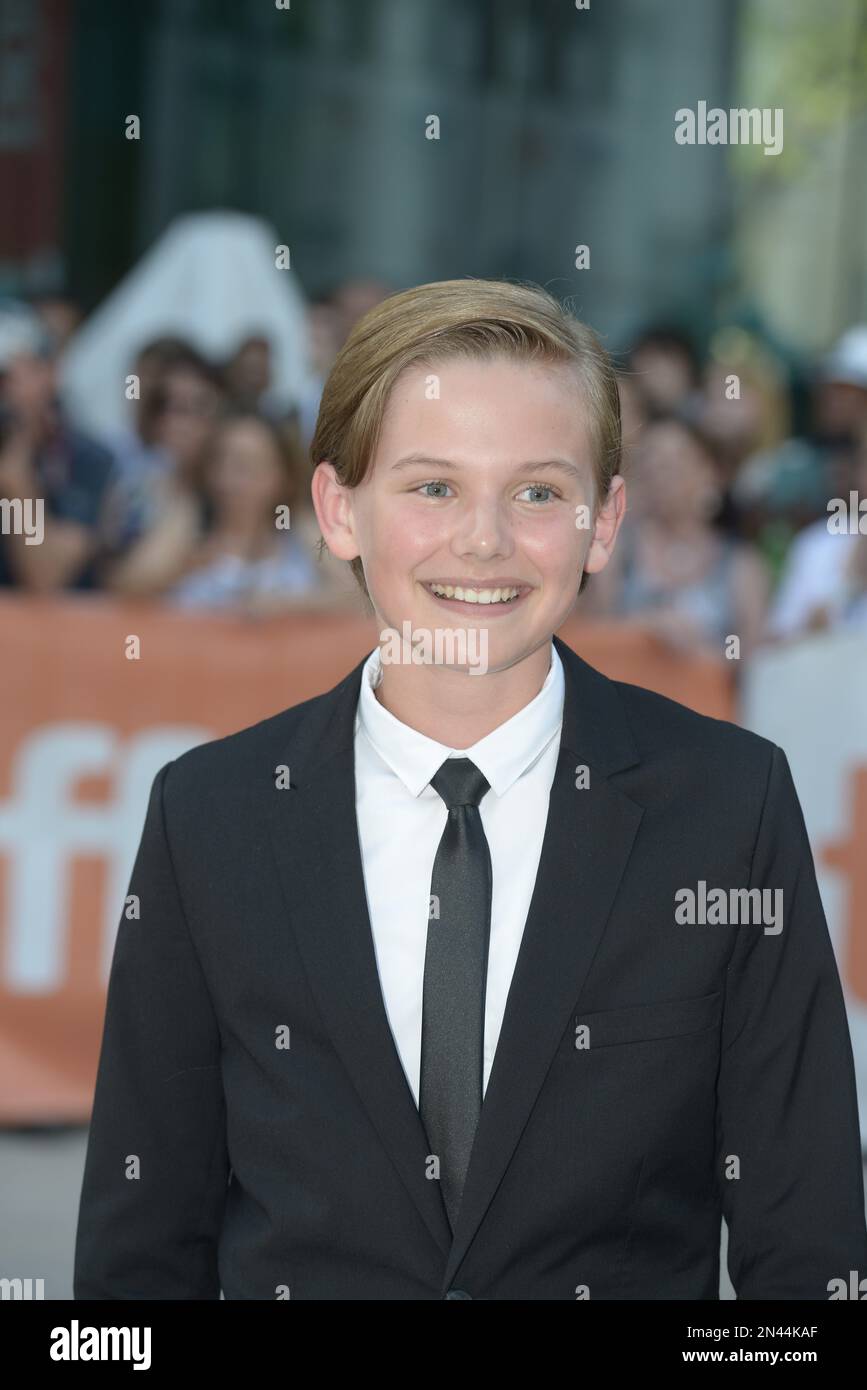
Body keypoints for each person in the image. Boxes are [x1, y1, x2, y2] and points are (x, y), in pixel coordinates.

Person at [74, 278, 867, 1300]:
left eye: (537, 491)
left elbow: (805, 1251)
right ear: (337, 510)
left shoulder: (727, 806)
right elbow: (138, 1257)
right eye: (433, 486)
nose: (484, 540)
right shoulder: (211, 815)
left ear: (605, 521)